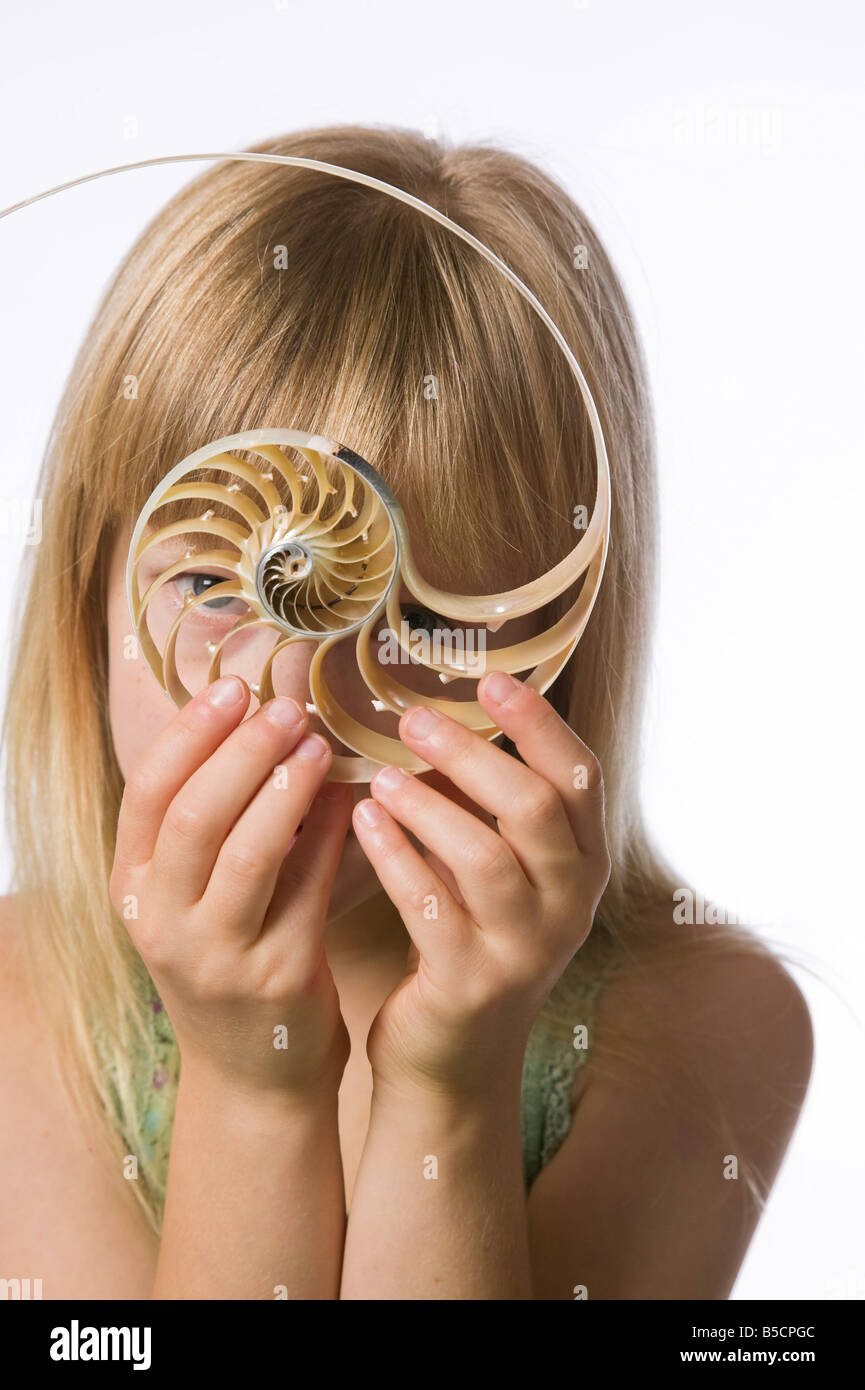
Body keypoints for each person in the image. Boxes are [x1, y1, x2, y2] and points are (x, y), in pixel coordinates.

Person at [0, 125, 812, 1300]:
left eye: (421, 629)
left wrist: (450, 1085)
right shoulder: (26, 1011)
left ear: (561, 659)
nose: (297, 694)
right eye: (215, 586)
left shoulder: (706, 1026)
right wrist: (253, 1078)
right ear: (87, 585)